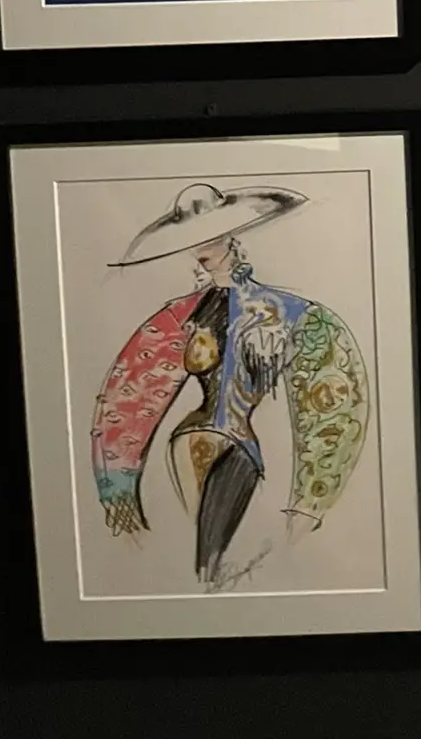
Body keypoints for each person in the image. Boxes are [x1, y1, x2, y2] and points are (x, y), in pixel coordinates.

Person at [90, 180, 368, 587]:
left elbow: (332, 407)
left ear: (233, 238)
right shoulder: (179, 316)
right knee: (208, 555)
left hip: (240, 447)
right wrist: (118, 488)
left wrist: (310, 501)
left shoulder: (295, 314)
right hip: (189, 442)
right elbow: (128, 396)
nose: (198, 249)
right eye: (193, 242)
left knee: (216, 555)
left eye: (211, 238)